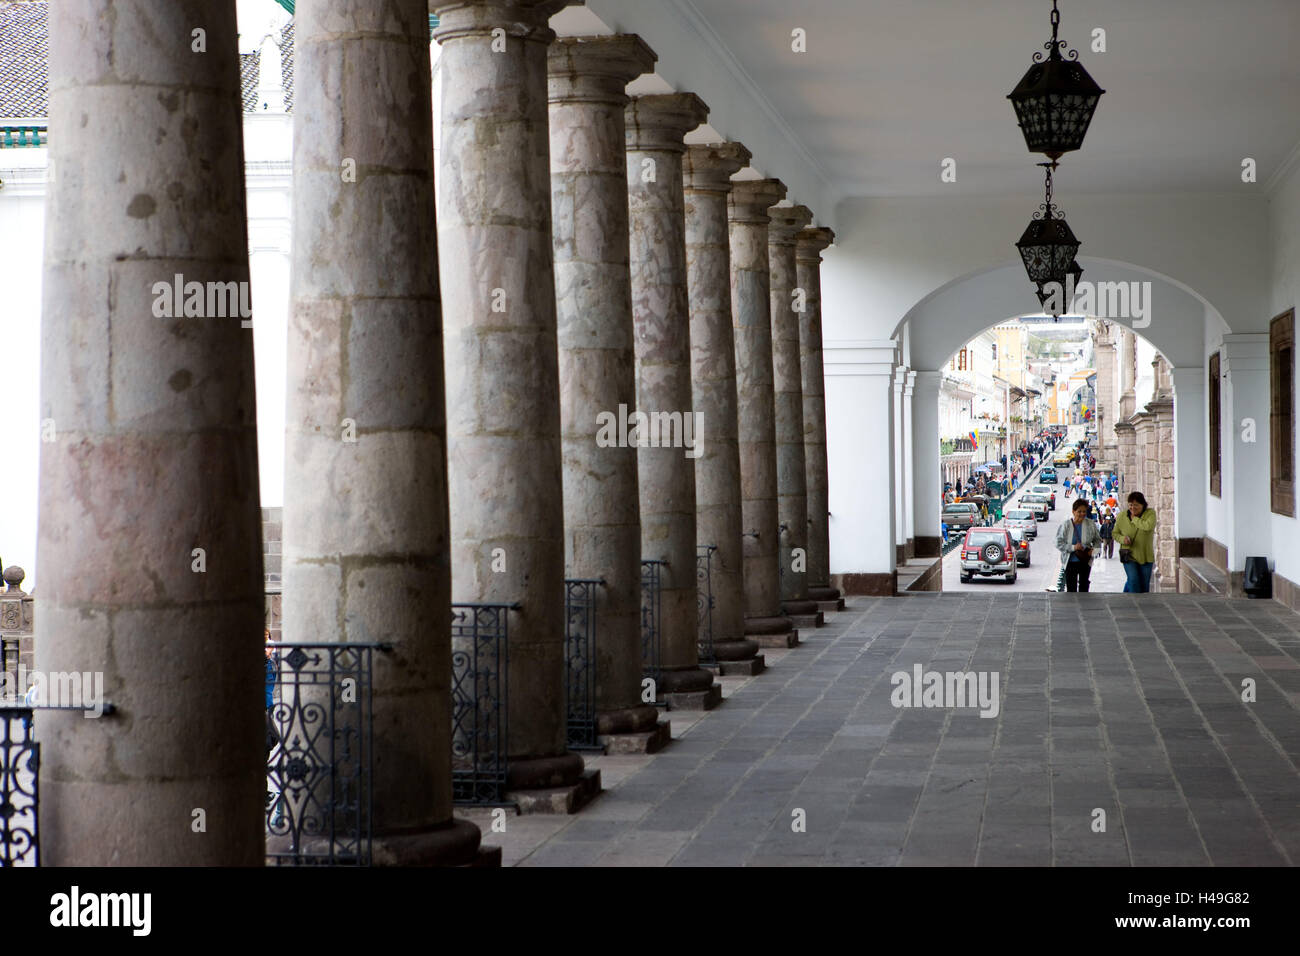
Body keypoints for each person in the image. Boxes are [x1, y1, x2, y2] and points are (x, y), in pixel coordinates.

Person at [1114, 491, 1157, 592]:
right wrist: (1122, 539)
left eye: (1136, 505)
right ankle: (1133, 605)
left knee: (1143, 585)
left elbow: (1147, 526)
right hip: (1128, 555)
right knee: (1133, 580)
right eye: (1131, 505)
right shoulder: (1121, 516)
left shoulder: (1150, 514)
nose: (1133, 508)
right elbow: (1115, 533)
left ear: (1143, 505)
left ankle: (1136, 601)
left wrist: (1135, 519)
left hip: (1145, 556)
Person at [1056, 498, 1101, 592]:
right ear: (1073, 511)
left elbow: (1097, 539)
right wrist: (1073, 547)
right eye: (1079, 511)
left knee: (1084, 585)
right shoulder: (1066, 525)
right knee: (1071, 587)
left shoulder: (1090, 524)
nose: (1082, 514)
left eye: (1084, 511)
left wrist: (1094, 551)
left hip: (1085, 559)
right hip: (1070, 560)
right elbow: (1058, 543)